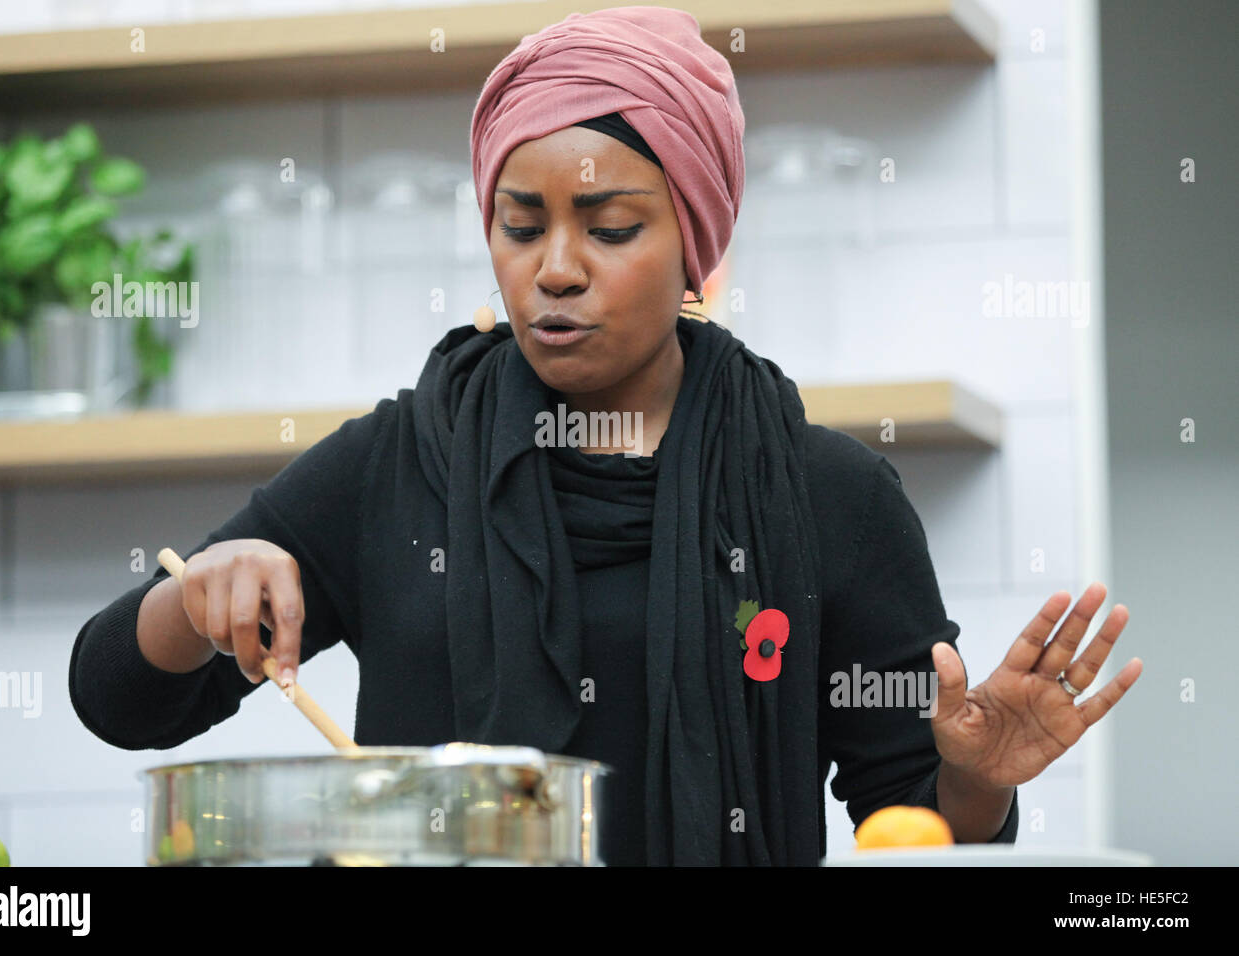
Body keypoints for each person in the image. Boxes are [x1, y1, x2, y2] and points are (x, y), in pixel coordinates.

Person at [69, 6, 1141, 866]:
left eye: (611, 227)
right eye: (520, 225)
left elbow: (913, 827)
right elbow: (116, 698)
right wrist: (195, 595)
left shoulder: (827, 495)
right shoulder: (399, 463)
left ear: (696, 246)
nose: (557, 267)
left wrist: (979, 775)